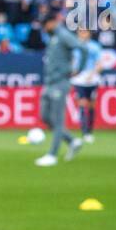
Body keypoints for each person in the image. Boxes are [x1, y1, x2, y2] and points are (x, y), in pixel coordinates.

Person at [35, 18, 83, 166]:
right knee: (44, 116)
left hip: (60, 83)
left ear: (52, 22)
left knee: (57, 120)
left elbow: (83, 48)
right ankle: (72, 140)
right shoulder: (53, 38)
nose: (44, 28)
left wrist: (78, 69)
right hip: (49, 83)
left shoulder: (63, 35)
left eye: (45, 25)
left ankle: (52, 155)